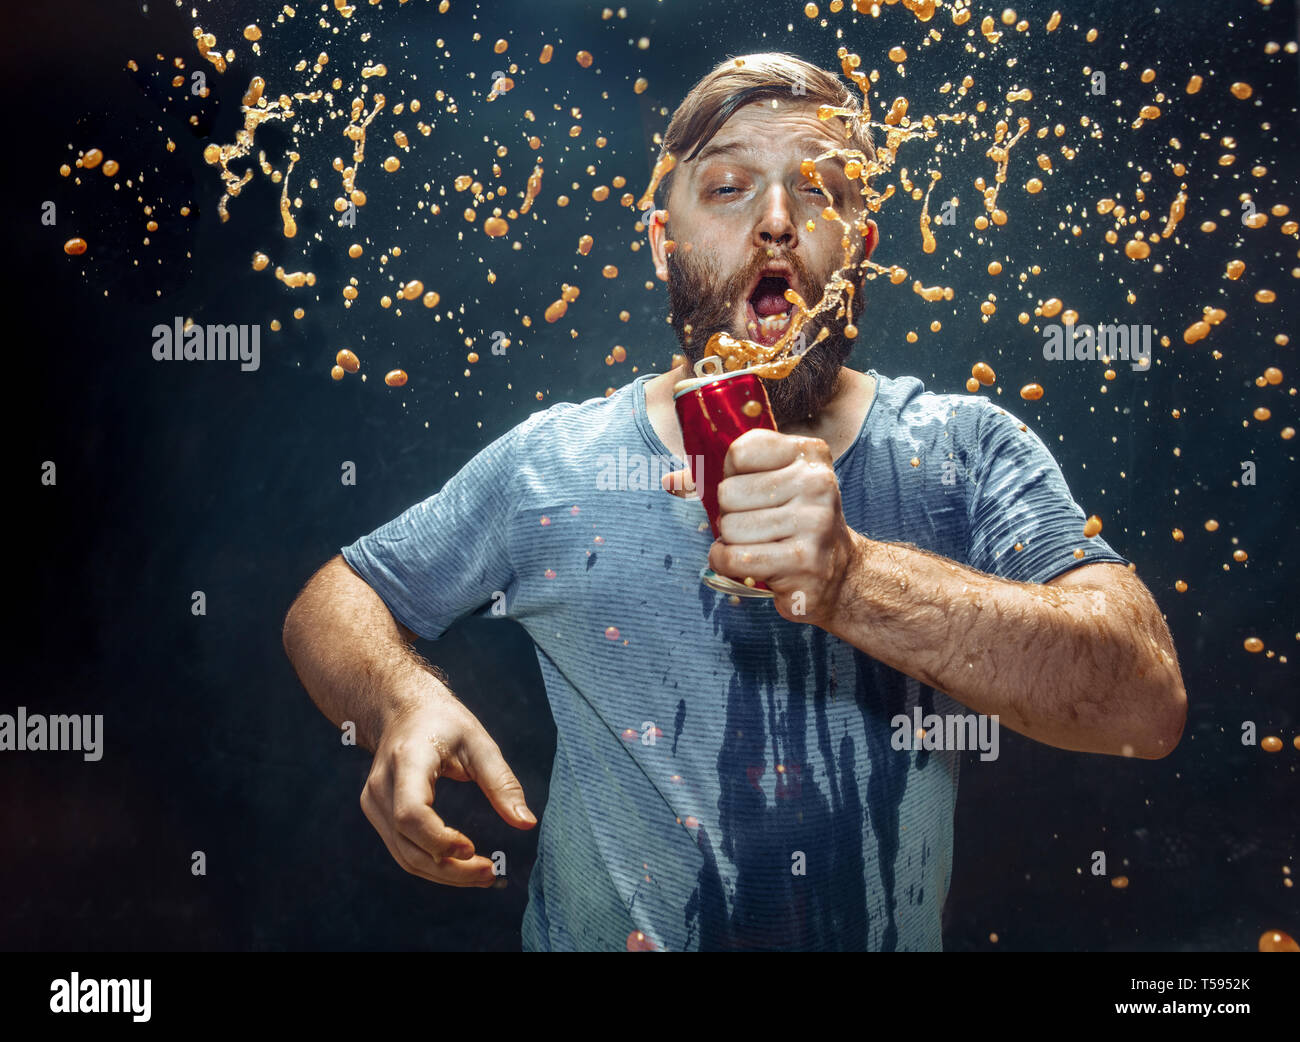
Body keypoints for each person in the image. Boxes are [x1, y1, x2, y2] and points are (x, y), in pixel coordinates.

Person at [282, 52, 1186, 951]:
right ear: (660, 239)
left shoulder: (962, 449)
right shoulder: (552, 466)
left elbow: (1145, 706)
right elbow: (335, 600)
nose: (779, 223)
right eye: (726, 187)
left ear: (862, 244)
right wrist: (401, 699)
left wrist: (851, 579)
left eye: (823, 191)